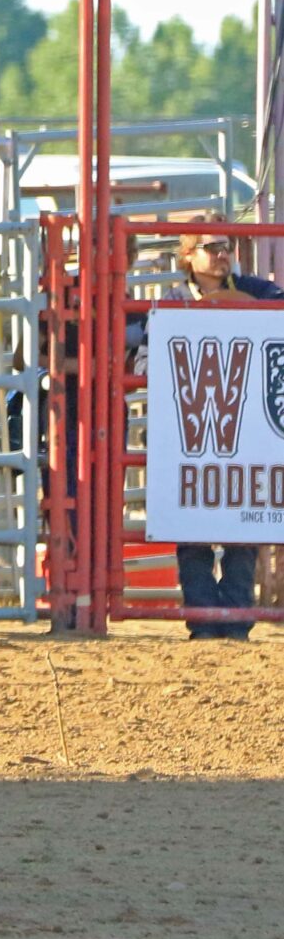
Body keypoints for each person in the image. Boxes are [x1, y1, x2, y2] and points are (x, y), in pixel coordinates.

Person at [171, 226, 283, 639]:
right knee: (191, 522)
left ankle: (235, 619)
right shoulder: (173, 301)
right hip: (191, 422)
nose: (223, 254)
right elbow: (148, 358)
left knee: (243, 521)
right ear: (189, 255)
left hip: (245, 419)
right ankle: (203, 619)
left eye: (227, 246)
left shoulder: (258, 290)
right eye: (212, 247)